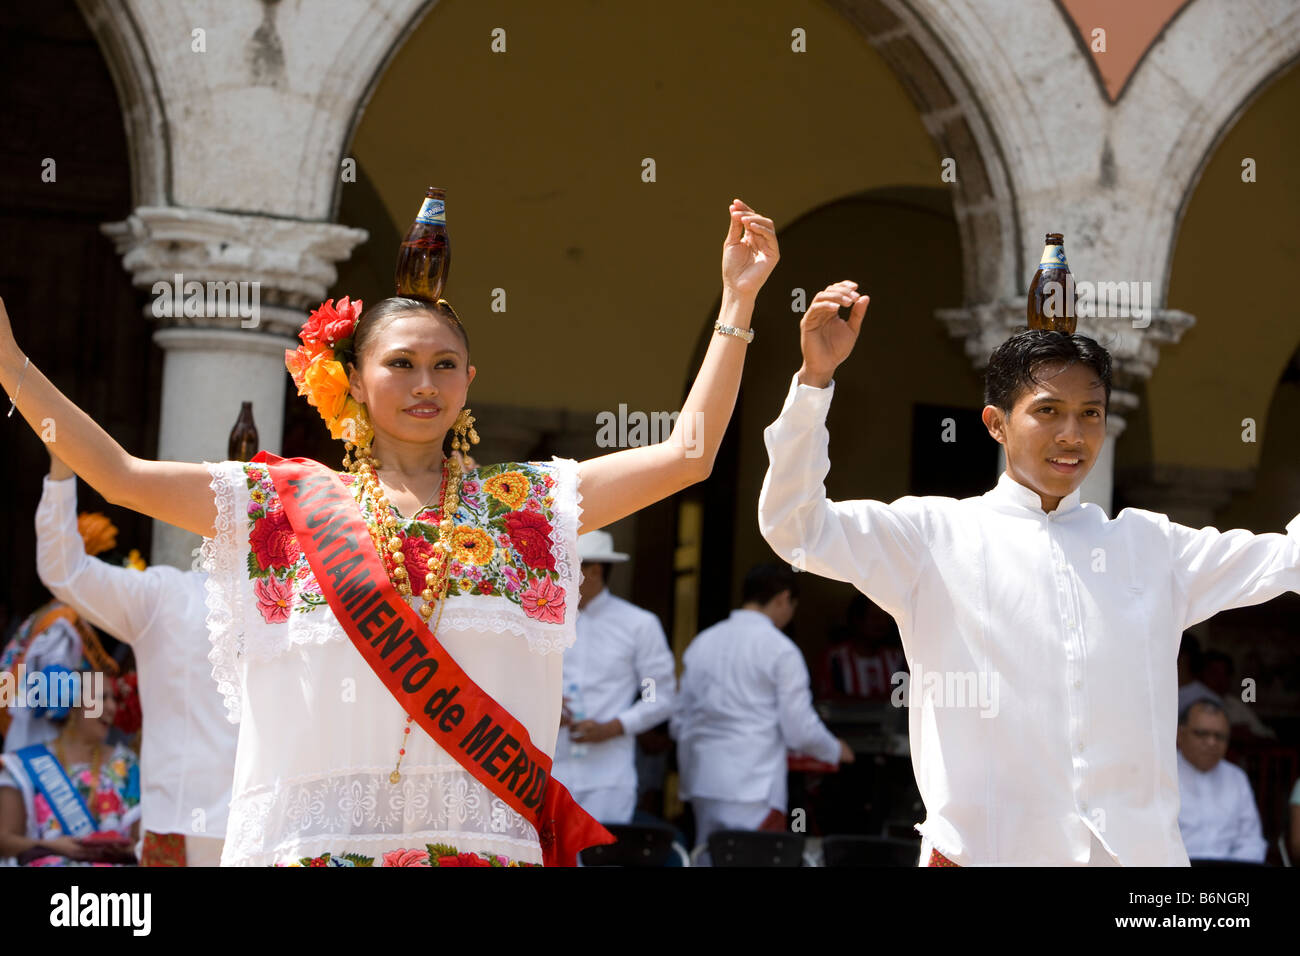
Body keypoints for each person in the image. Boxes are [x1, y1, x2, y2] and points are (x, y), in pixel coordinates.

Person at [0, 198, 782, 866]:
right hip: (319, 845)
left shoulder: (523, 506)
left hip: (479, 845)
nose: (424, 384)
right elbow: (118, 475)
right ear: (352, 378)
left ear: (470, 381)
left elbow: (688, 453)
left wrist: (738, 304)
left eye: (446, 365)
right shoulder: (280, 504)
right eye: (401, 363)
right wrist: (9, 364)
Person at [757, 287, 1300, 866]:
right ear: (996, 423)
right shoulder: (933, 535)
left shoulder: (1151, 548)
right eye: (1047, 411)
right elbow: (797, 528)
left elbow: (1288, 558)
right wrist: (815, 381)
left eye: (1090, 413)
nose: (1073, 434)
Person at [35, 449, 236, 866]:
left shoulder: (300, 603)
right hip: (181, 828)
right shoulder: (168, 595)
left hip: (270, 828)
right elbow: (64, 571)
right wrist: (62, 464)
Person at [671, 563, 853, 853]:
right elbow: (799, 729)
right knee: (756, 859)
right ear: (783, 599)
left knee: (708, 858)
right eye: (792, 605)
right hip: (753, 784)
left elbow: (678, 719)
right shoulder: (781, 649)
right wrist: (835, 750)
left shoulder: (702, 642)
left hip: (702, 778)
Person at [551, 530, 675, 825]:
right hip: (550, 769)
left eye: (569, 568)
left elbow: (657, 694)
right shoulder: (546, 620)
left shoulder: (638, 625)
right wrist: (545, 707)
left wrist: (617, 726)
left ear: (594, 570)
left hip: (607, 776)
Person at [0, 657, 140, 866]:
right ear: (73, 704)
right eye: (101, 698)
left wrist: (123, 849)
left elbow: (143, 842)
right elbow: (4, 839)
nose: (112, 707)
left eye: (113, 699)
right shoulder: (22, 765)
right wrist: (52, 847)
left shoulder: (127, 764)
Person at [1175, 698, 1267, 863]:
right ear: (1180, 735)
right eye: (1201, 733)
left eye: (1219, 736)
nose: (1211, 742)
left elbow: (1251, 840)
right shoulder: (1163, 776)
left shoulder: (1236, 778)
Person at [818, 592, 906, 701]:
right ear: (857, 620)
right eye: (875, 618)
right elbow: (828, 699)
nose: (882, 624)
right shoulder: (835, 658)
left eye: (886, 618)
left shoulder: (897, 658)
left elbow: (905, 699)